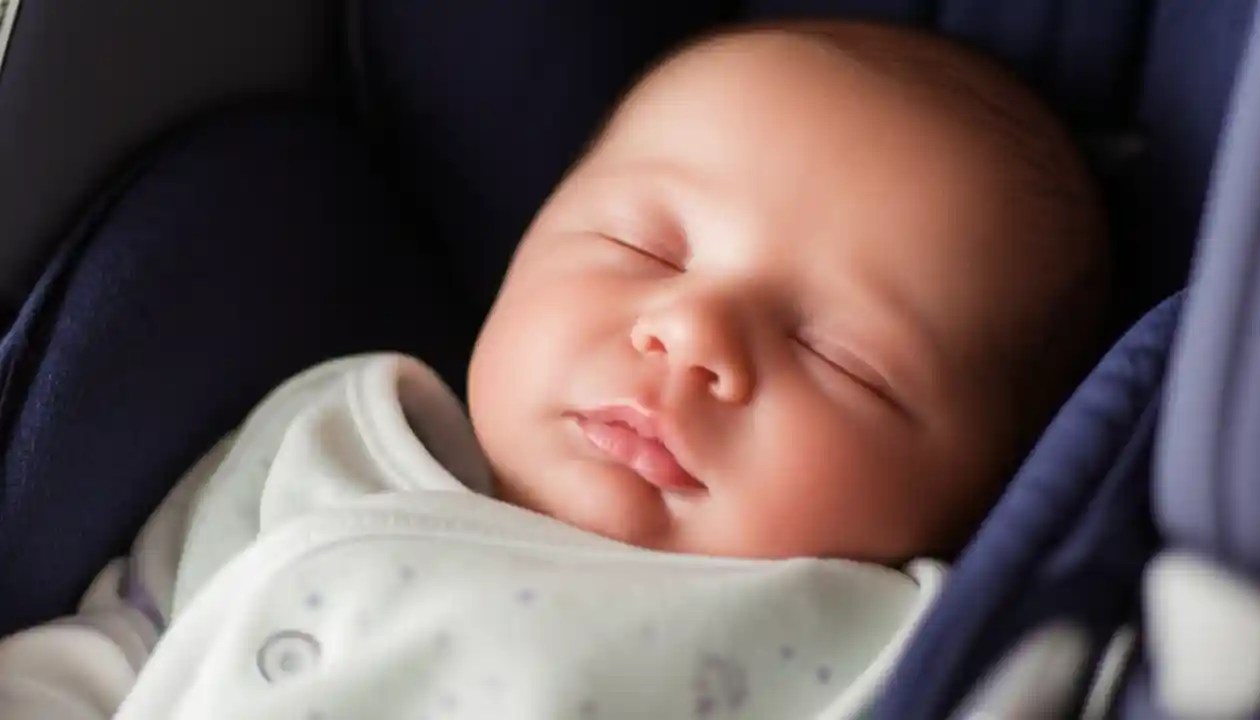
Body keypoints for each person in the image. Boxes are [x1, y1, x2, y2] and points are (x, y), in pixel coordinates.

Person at [0, 19, 1107, 719]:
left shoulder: (880, 639)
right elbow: (123, 650)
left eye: (841, 359)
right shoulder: (331, 441)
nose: (691, 337)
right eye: (641, 251)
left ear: (977, 497)